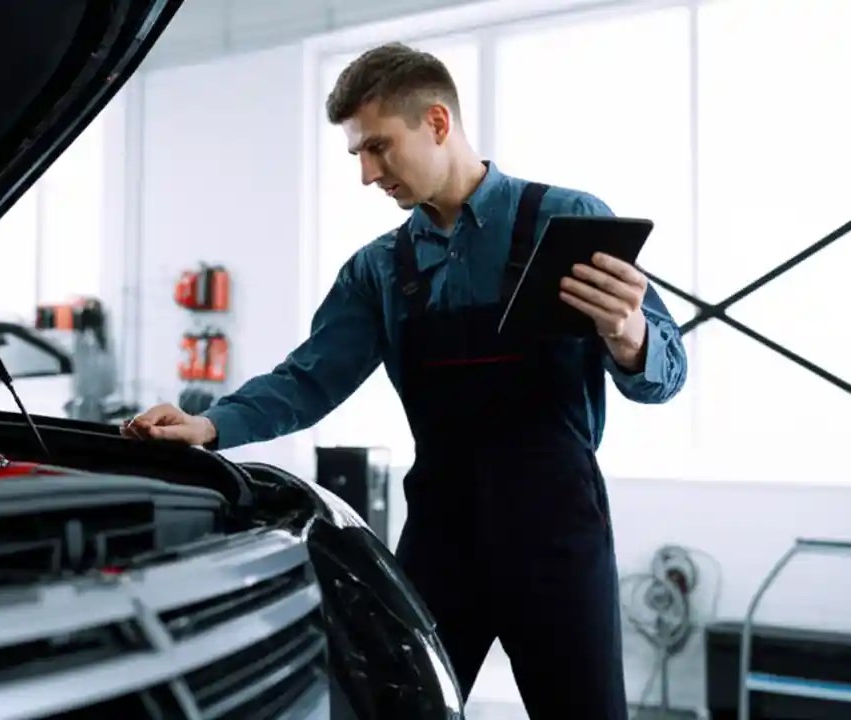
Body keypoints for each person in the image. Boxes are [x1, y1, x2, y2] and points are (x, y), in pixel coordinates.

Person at [123, 42, 687, 719]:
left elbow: (667, 375)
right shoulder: (380, 269)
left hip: (556, 533)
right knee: (393, 711)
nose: (367, 174)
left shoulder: (566, 222)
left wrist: (629, 335)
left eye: (378, 147)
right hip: (443, 536)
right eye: (358, 154)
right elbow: (308, 379)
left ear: (438, 122)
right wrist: (211, 425)